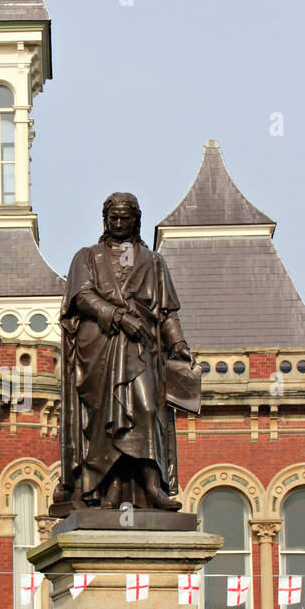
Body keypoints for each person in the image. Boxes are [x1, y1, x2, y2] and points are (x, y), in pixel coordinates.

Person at [53, 191, 197, 513]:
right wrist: (117, 316)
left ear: (136, 220)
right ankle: (111, 486)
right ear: (105, 220)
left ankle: (150, 485)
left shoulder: (153, 261)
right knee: (104, 416)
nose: (118, 223)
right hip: (100, 347)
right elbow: (80, 296)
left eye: (125, 218)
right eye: (112, 218)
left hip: (142, 347)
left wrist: (178, 345)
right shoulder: (87, 257)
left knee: (146, 408)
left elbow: (166, 313)